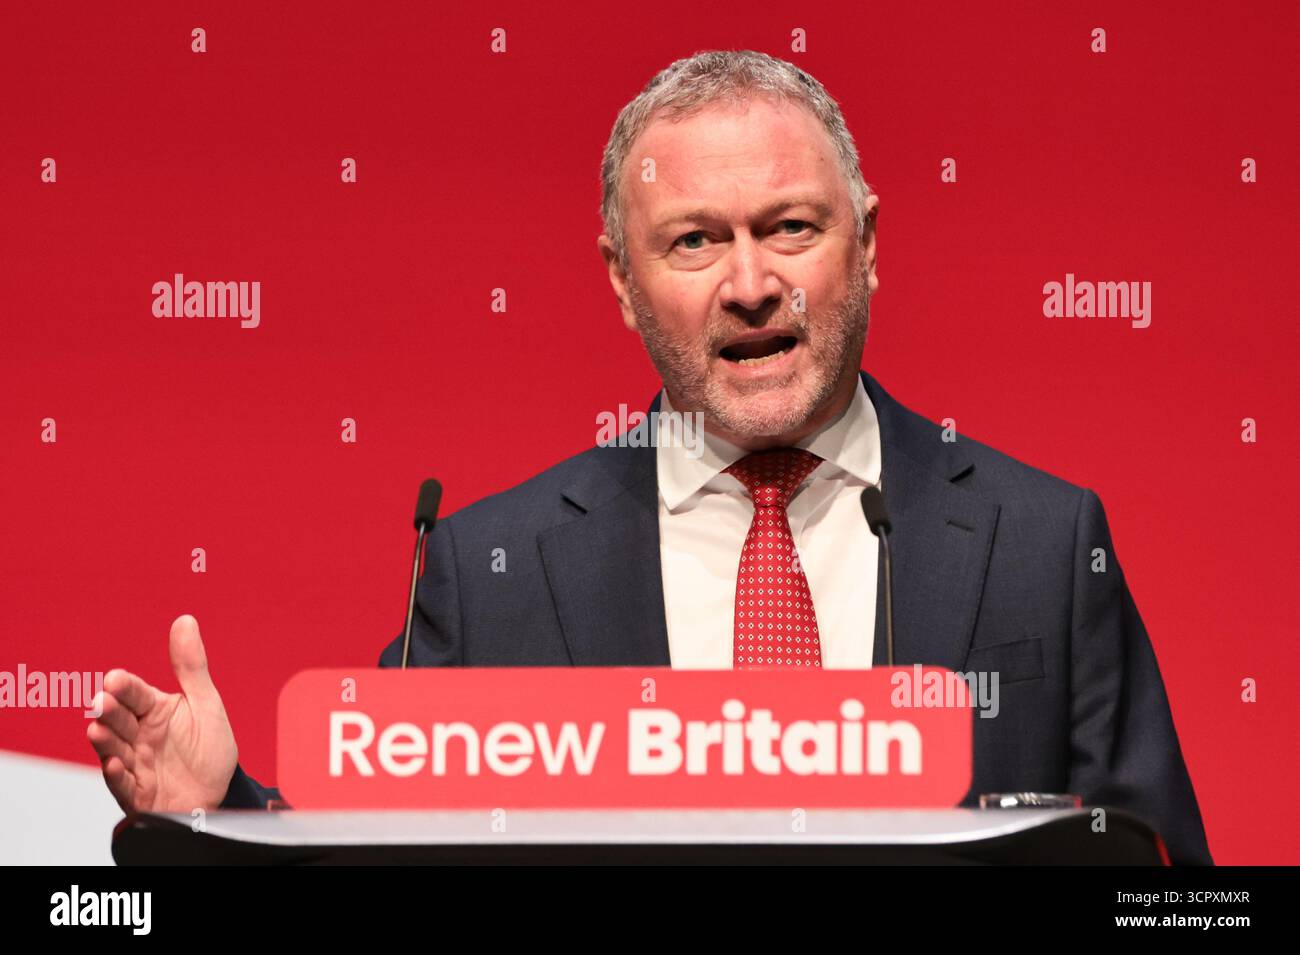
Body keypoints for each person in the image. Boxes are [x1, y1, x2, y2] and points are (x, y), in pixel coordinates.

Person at [87, 50, 1213, 865]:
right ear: (623, 281)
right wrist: (216, 805)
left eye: (789, 226)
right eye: (694, 240)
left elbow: (1166, 879)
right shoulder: (499, 573)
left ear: (866, 246)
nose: (750, 281)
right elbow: (367, 857)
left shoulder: (1042, 542)